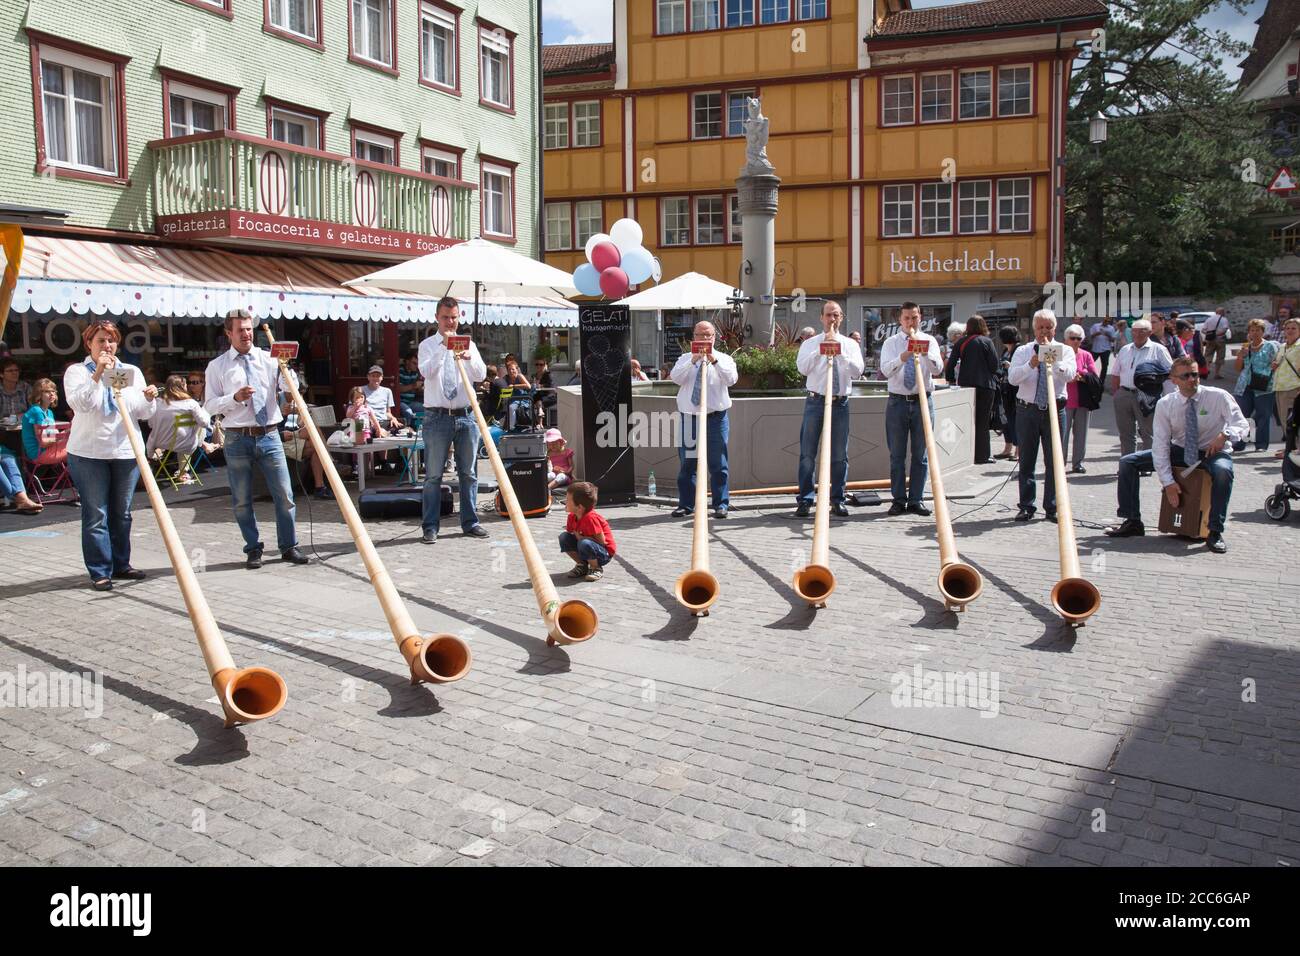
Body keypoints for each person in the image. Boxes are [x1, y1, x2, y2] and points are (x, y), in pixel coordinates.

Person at [1106, 356, 1248, 553]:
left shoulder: (1218, 396)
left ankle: (1215, 531)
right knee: (1128, 462)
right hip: (1180, 450)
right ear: (1174, 380)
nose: (1192, 379)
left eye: (1195, 374)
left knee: (1223, 472)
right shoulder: (1166, 404)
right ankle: (1132, 521)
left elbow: (1242, 424)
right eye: (1186, 376)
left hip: (1212, 451)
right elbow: (1161, 444)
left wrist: (1226, 434)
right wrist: (1168, 482)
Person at [204, 310, 309, 569]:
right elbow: (208, 405)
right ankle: (253, 549)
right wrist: (234, 398)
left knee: (284, 494)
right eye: (240, 330)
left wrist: (288, 372)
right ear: (229, 333)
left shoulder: (269, 359)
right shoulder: (217, 366)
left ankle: (289, 546)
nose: (246, 334)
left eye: (249, 329)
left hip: (270, 435)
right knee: (241, 499)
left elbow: (290, 390)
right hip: (237, 437)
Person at [64, 320, 159, 588]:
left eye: (111, 340)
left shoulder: (131, 371)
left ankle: (121, 564)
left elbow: (142, 413)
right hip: (88, 453)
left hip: (125, 451)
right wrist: (98, 374)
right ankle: (99, 570)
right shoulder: (77, 372)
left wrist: (150, 398)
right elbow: (82, 404)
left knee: (123, 513)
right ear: (89, 345)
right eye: (100, 341)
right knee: (96, 514)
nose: (107, 346)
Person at [418, 296, 488, 544]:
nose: (450, 322)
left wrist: (468, 355)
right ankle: (430, 526)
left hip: (466, 415)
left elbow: (481, 374)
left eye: (454, 317)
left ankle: (470, 522)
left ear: (460, 317)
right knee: (434, 475)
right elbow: (425, 372)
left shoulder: (470, 344)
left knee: (468, 473)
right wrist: (443, 348)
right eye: (446, 317)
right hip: (437, 416)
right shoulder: (427, 345)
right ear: (437, 317)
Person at [793, 301, 864, 518]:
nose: (832, 319)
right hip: (815, 401)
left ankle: (837, 500)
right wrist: (821, 349)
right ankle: (805, 500)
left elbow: (857, 372)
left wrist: (839, 351)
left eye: (836, 315)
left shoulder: (850, 344)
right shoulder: (810, 343)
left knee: (840, 455)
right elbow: (802, 368)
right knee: (807, 453)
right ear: (821, 318)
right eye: (828, 315)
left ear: (841, 318)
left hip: (840, 402)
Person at [1008, 309, 1076, 522]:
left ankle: (1052, 507)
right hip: (1027, 409)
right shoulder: (1023, 350)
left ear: (1055, 329)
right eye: (1040, 328)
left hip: (1055, 408)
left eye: (1048, 327)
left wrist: (1052, 361)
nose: (1044, 331)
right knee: (1026, 459)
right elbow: (1013, 378)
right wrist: (1032, 363)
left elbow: (1070, 375)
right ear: (1034, 329)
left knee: (1054, 460)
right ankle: (1027, 505)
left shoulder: (1065, 350)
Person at [669, 320, 738, 520]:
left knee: (718, 463)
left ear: (715, 338)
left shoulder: (724, 359)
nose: (705, 339)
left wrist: (713, 361)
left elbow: (731, 379)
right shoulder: (685, 358)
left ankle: (721, 504)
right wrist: (694, 360)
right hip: (690, 417)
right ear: (694, 337)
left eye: (709, 335)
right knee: (688, 463)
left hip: (716, 418)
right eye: (701, 335)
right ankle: (687, 505)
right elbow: (675, 378)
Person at [880, 302, 942, 515]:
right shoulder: (891, 343)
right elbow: (886, 370)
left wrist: (924, 353)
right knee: (896, 454)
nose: (910, 322)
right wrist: (904, 355)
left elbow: (938, 369)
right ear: (900, 320)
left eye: (914, 318)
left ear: (920, 318)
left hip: (922, 399)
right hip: (897, 401)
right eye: (906, 318)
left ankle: (916, 499)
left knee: (921, 454)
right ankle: (898, 499)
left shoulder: (930, 340)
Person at [1108, 317, 1172, 456]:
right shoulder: (1125, 349)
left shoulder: (1158, 349)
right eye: (1135, 331)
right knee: (1126, 433)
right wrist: (1117, 394)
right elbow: (1115, 373)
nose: (1137, 335)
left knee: (1147, 432)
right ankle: (1127, 463)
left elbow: (1170, 374)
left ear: (1149, 333)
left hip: (1147, 394)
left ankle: (1146, 462)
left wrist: (1168, 397)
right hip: (1124, 393)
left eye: (1141, 332)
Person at [944, 315, 999, 464]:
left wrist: (950, 379)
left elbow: (951, 363)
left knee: (967, 420)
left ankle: (964, 453)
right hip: (986, 386)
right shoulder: (987, 342)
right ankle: (982, 455)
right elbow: (994, 366)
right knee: (983, 421)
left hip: (965, 385)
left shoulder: (961, 342)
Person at [145, 374, 212, 483]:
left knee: (181, 429)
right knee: (197, 426)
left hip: (160, 441)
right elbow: (204, 423)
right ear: (183, 386)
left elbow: (151, 424)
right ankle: (184, 469)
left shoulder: (157, 403)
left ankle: (161, 450)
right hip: (184, 444)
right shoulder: (190, 404)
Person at [1233, 317, 1280, 453]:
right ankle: (1242, 443)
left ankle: (1261, 444)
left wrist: (1274, 367)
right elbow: (1238, 368)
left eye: (1258, 330)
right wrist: (1240, 356)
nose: (1254, 333)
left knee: (1263, 415)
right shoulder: (1246, 347)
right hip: (1244, 385)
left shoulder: (1271, 346)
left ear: (1263, 331)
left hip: (1264, 385)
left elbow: (1277, 362)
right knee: (1243, 415)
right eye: (1252, 330)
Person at [559, 480, 616, 582]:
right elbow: (572, 535)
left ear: (579, 507)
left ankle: (596, 568)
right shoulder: (572, 516)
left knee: (584, 543)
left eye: (568, 500)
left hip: (603, 553)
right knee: (564, 537)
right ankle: (582, 565)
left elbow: (602, 542)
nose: (565, 502)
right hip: (586, 548)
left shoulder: (591, 518)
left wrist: (582, 539)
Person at [1061, 324, 1098, 474]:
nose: (1076, 341)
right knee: (1062, 434)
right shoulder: (1059, 352)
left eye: (1078, 338)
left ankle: (1078, 463)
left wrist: (1080, 374)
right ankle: (1059, 463)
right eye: (1072, 338)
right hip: (1065, 400)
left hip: (1083, 400)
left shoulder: (1086, 355)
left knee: (1081, 434)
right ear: (1066, 339)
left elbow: (1094, 374)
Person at [1271, 317, 1300, 459]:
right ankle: (1290, 447)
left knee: (1294, 421)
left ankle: (1295, 449)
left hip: (1294, 387)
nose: (1290, 331)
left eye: (1294, 328)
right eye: (1287, 328)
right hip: (1280, 387)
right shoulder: (1283, 346)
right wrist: (1275, 366)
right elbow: (1278, 363)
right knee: (1284, 420)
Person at [994, 324, 1020, 461]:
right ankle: (1008, 447)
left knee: (1016, 419)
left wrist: (1010, 366)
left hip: (1015, 389)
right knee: (1006, 419)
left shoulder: (1019, 350)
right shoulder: (1006, 350)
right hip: (1005, 388)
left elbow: (1021, 368)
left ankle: (1018, 450)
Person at [1202, 308, 1231, 379]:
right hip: (1220, 339)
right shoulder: (1224, 319)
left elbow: (1203, 330)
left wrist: (1209, 334)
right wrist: (1217, 334)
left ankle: (1207, 369)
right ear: (1222, 312)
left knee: (1208, 355)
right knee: (1220, 356)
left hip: (1210, 339)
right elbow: (1225, 330)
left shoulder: (1209, 319)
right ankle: (1217, 373)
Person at [397, 353, 423, 421]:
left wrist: (420, 388)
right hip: (400, 402)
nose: (416, 366)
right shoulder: (400, 371)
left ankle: (421, 429)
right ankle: (408, 429)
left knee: (427, 409)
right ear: (407, 362)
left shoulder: (415, 373)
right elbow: (399, 389)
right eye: (414, 363)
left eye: (417, 364)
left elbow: (417, 390)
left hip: (410, 402)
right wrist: (414, 386)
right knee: (409, 413)